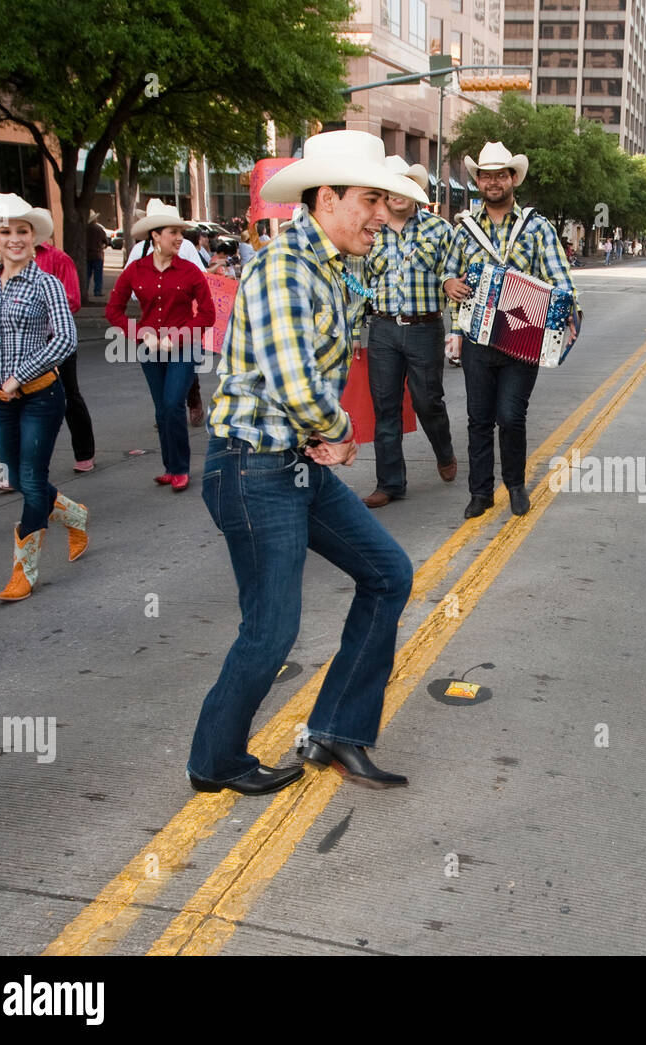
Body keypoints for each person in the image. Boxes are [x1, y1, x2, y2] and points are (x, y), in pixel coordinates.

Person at [187, 129, 427, 796]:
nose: (381, 214)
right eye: (371, 198)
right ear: (326, 198)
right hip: (251, 468)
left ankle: (338, 730)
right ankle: (214, 759)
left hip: (295, 464)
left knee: (387, 573)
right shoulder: (283, 267)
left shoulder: (336, 264)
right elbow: (296, 385)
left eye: (386, 200)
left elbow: (410, 274)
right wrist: (343, 434)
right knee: (271, 629)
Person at [0, 193, 86, 601]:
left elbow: (66, 338)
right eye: (6, 231)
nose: (14, 239)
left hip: (42, 396)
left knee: (30, 480)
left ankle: (23, 571)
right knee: (15, 476)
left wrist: (16, 377)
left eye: (22, 231)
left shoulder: (47, 283)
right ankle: (75, 514)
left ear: (34, 237)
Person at [441, 140, 577, 520]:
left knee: (511, 417)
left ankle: (515, 486)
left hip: (522, 338)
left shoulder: (537, 227)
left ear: (513, 178)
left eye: (501, 175)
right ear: (478, 181)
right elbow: (448, 273)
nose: (493, 182)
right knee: (478, 418)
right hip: (477, 339)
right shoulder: (464, 229)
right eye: (486, 176)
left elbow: (559, 277)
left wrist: (568, 313)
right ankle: (480, 493)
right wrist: (447, 285)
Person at [360, 155, 457, 508]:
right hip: (383, 328)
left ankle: (444, 452)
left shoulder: (440, 230)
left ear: (415, 191)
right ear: (383, 194)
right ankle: (389, 484)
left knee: (427, 402)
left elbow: (453, 277)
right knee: (385, 408)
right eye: (390, 186)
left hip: (425, 328)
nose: (397, 193)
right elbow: (362, 284)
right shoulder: (369, 231)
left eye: (404, 184)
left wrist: (456, 328)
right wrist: (359, 322)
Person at [105, 201, 214, 492]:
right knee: (161, 410)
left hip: (185, 346)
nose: (179, 238)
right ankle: (170, 467)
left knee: (172, 403)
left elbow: (207, 314)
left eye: (181, 232)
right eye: (172, 232)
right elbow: (113, 311)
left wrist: (175, 337)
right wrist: (141, 334)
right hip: (149, 347)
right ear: (155, 235)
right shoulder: (135, 270)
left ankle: (180, 468)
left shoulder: (191, 271)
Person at [33, 237, 97, 474]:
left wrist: (39, 317)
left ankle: (84, 452)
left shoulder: (58, 259)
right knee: (16, 404)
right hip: (20, 346)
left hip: (55, 339)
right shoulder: (0, 264)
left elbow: (72, 299)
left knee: (69, 395)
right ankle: (14, 466)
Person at [85, 215, 109, 296]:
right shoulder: (99, 229)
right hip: (98, 254)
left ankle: (85, 290)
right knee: (98, 275)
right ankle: (97, 291)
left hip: (87, 255)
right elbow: (106, 241)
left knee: (87, 275)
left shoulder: (84, 229)